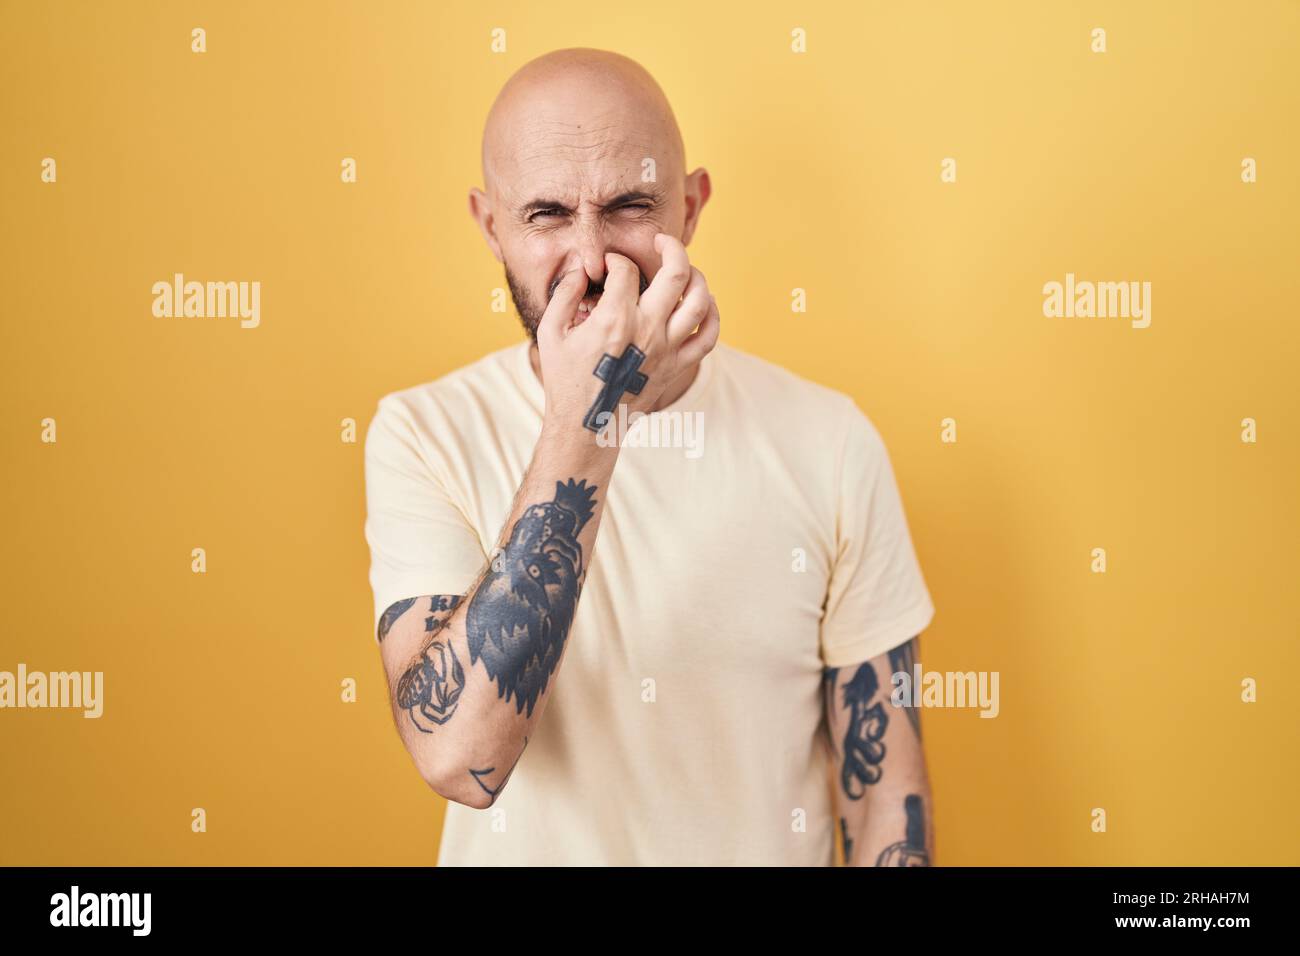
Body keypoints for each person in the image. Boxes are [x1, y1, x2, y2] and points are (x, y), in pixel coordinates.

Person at [363, 47, 936, 866]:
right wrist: (597, 416)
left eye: (630, 206)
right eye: (547, 214)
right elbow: (459, 758)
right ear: (491, 225)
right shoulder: (422, 434)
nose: (593, 259)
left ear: (691, 206)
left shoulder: (832, 442)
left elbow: (886, 804)